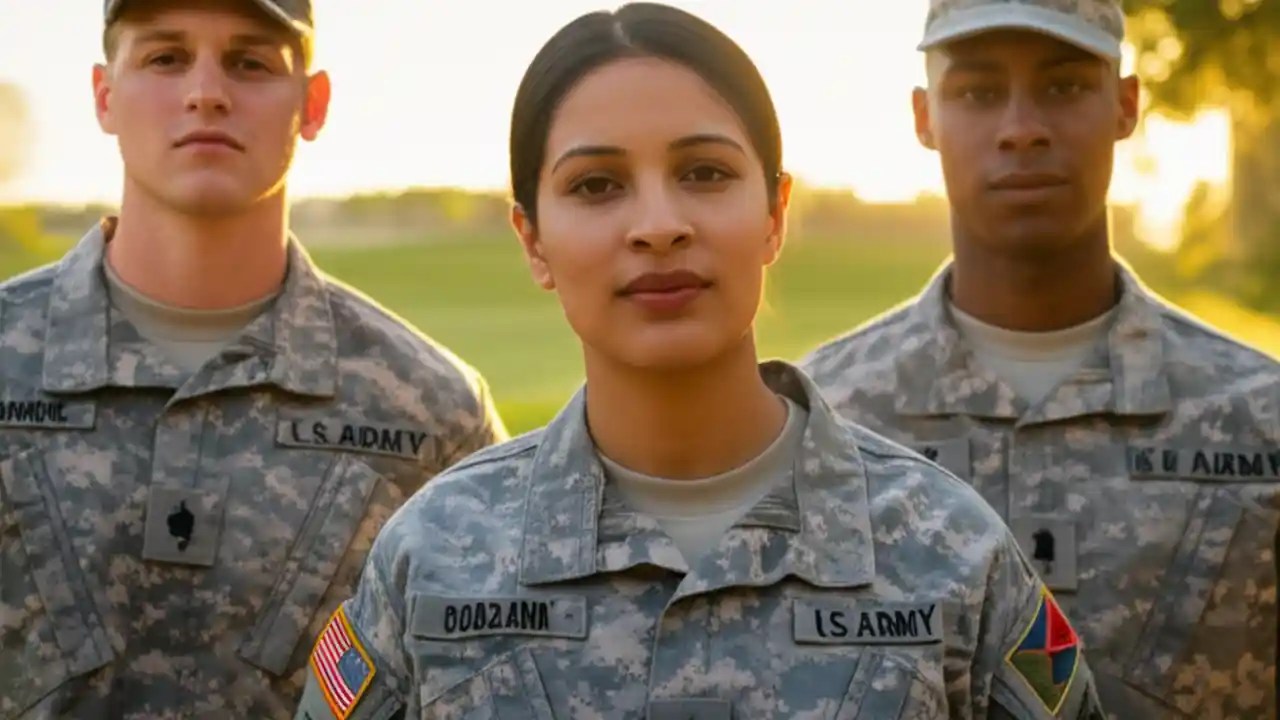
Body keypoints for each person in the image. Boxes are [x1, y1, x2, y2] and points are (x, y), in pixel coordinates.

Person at [293, 4, 1105, 719]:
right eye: (597, 184)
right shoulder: (432, 557)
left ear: (775, 215)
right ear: (532, 240)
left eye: (705, 173)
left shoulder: (951, 550)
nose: (658, 224)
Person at [0, 1, 507, 717]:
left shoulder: (430, 413)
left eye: (250, 62)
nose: (206, 91)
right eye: (165, 58)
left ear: (313, 103)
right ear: (104, 95)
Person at [800, 0, 1280, 717]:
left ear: (1125, 104)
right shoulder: (820, 422)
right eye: (977, 92)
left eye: (1062, 87)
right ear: (923, 117)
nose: (1021, 129)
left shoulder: (1261, 419)